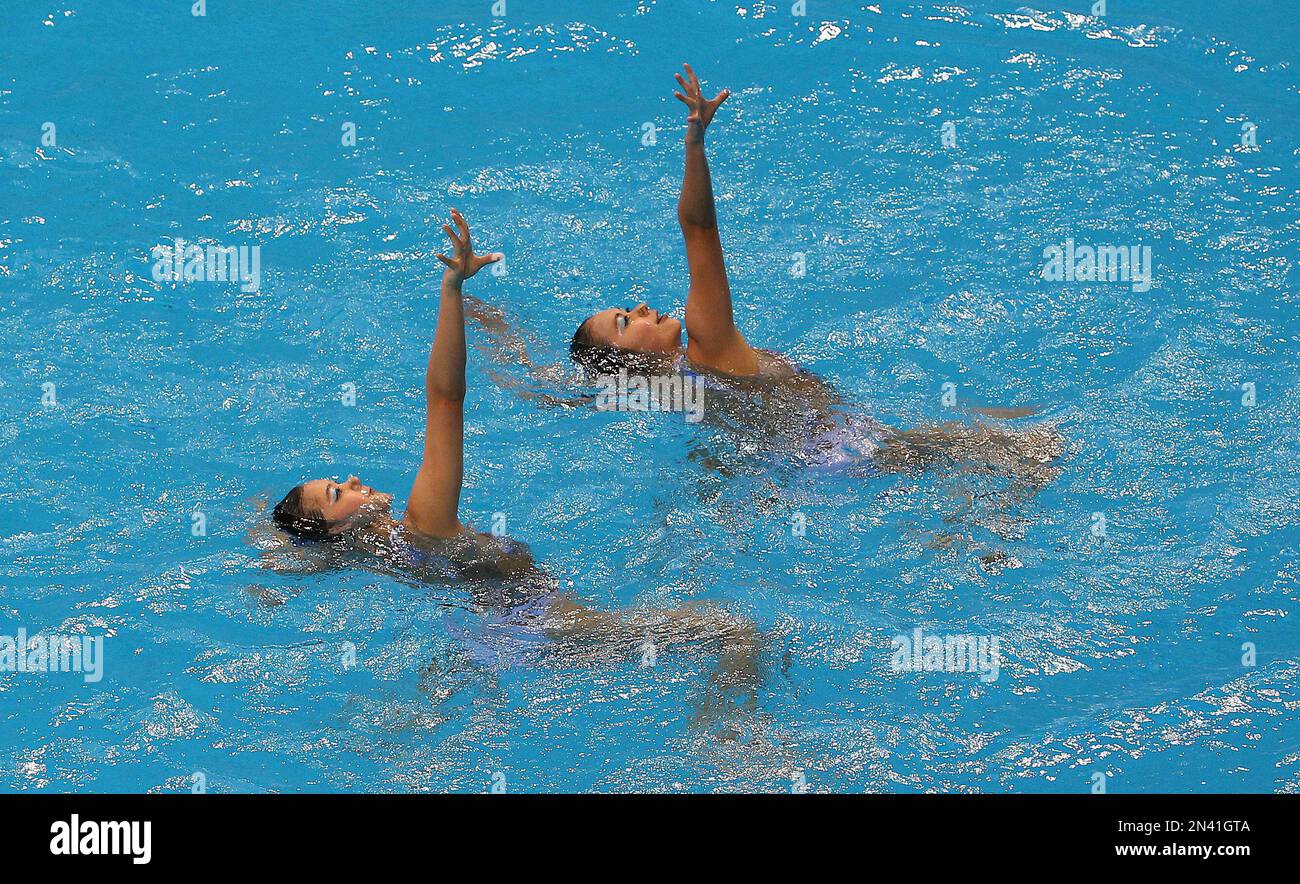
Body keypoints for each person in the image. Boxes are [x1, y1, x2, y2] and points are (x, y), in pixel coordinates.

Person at [259, 209, 761, 739]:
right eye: (338, 493)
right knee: (733, 630)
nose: (354, 480)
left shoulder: (377, 551)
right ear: (338, 529)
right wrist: (450, 292)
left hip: (496, 632)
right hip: (544, 627)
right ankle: (729, 738)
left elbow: (298, 546)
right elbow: (445, 400)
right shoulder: (423, 523)